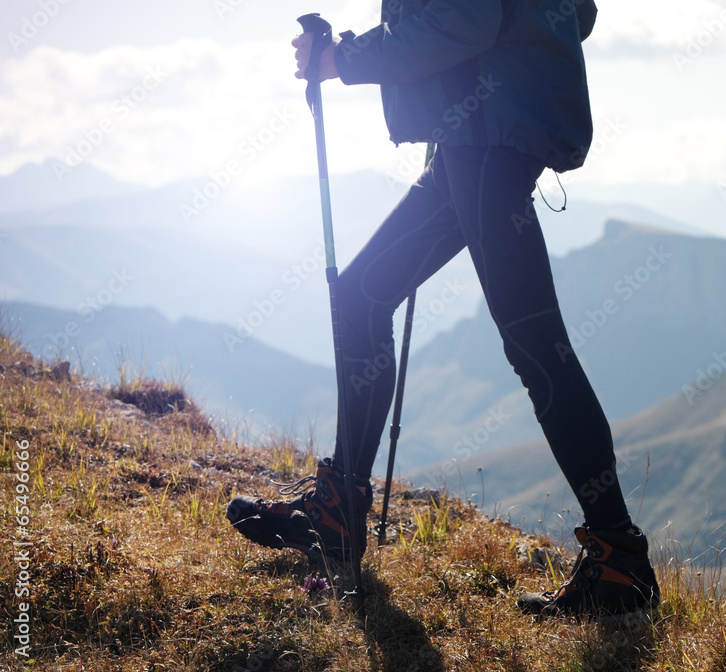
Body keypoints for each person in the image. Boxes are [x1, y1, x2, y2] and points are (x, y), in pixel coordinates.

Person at [227, 0, 660, 619]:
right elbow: (574, 14)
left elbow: (468, 19)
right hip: (475, 136)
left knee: (537, 345)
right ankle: (338, 510)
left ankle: (619, 560)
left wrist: (340, 59)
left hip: (487, 139)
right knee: (362, 298)